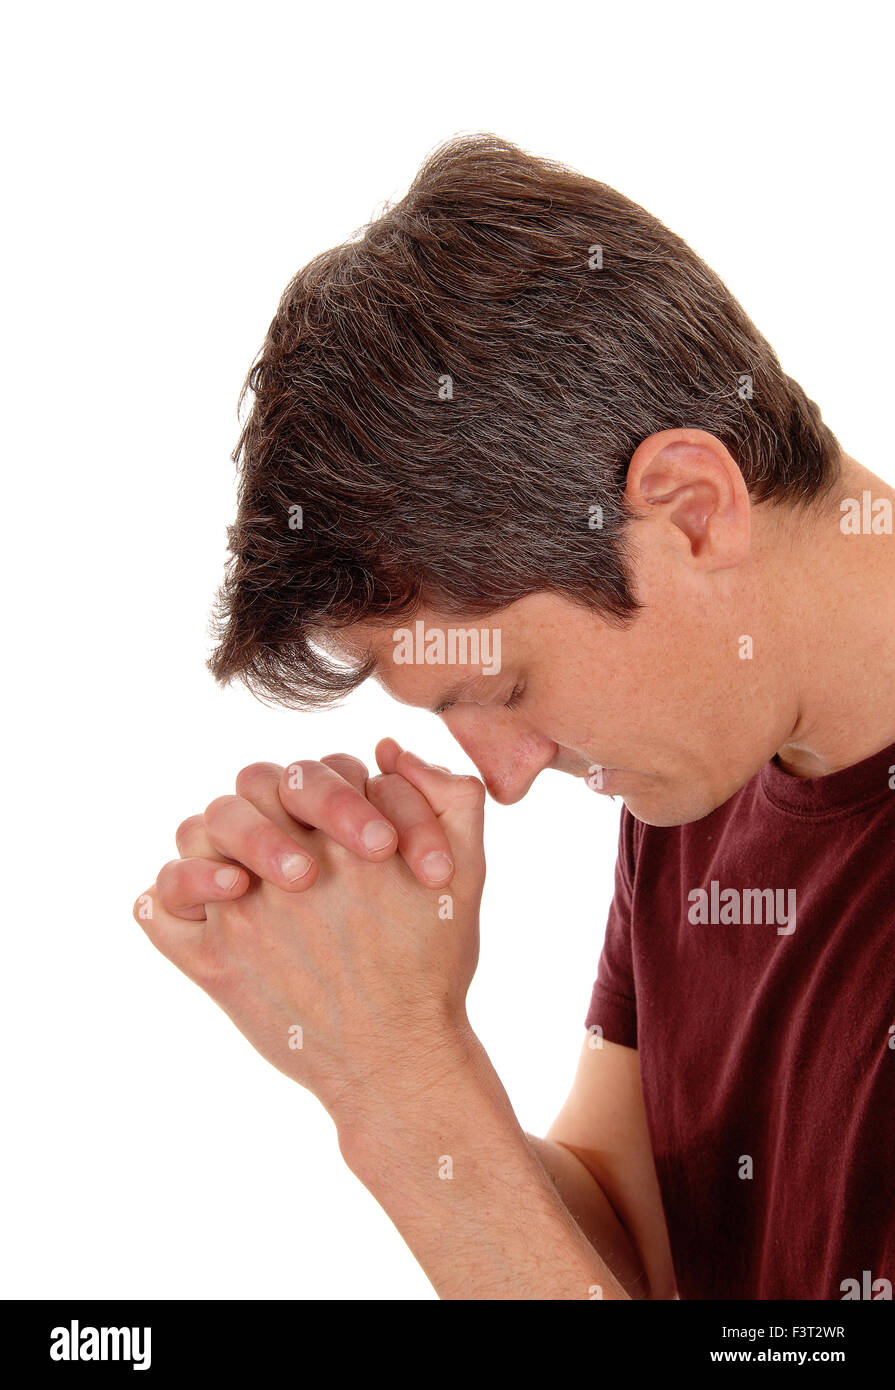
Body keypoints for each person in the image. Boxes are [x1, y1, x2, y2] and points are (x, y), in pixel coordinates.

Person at [133, 134, 895, 1300]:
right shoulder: (710, 760)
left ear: (690, 514)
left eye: (499, 690)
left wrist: (399, 1084)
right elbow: (639, 1256)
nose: (501, 776)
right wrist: (390, 1025)